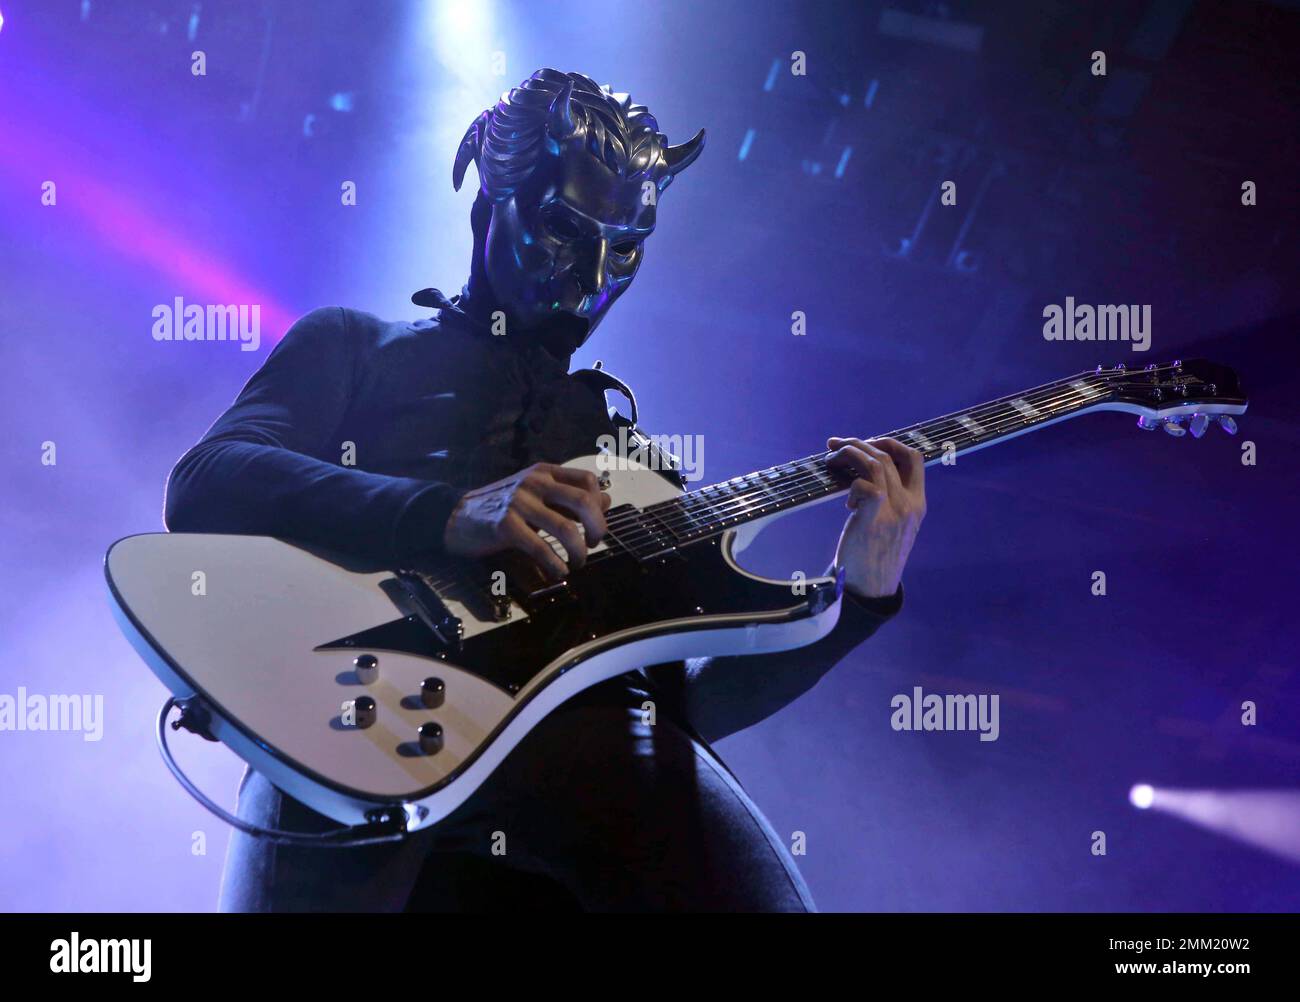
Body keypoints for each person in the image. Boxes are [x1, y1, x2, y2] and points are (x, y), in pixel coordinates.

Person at [164, 69, 926, 912]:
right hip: (356, 718)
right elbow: (209, 479)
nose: (593, 275)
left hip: (589, 756)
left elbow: (689, 709)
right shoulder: (354, 345)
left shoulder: (635, 461)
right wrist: (447, 515)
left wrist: (858, 599)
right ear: (489, 203)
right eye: (565, 230)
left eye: (627, 247)